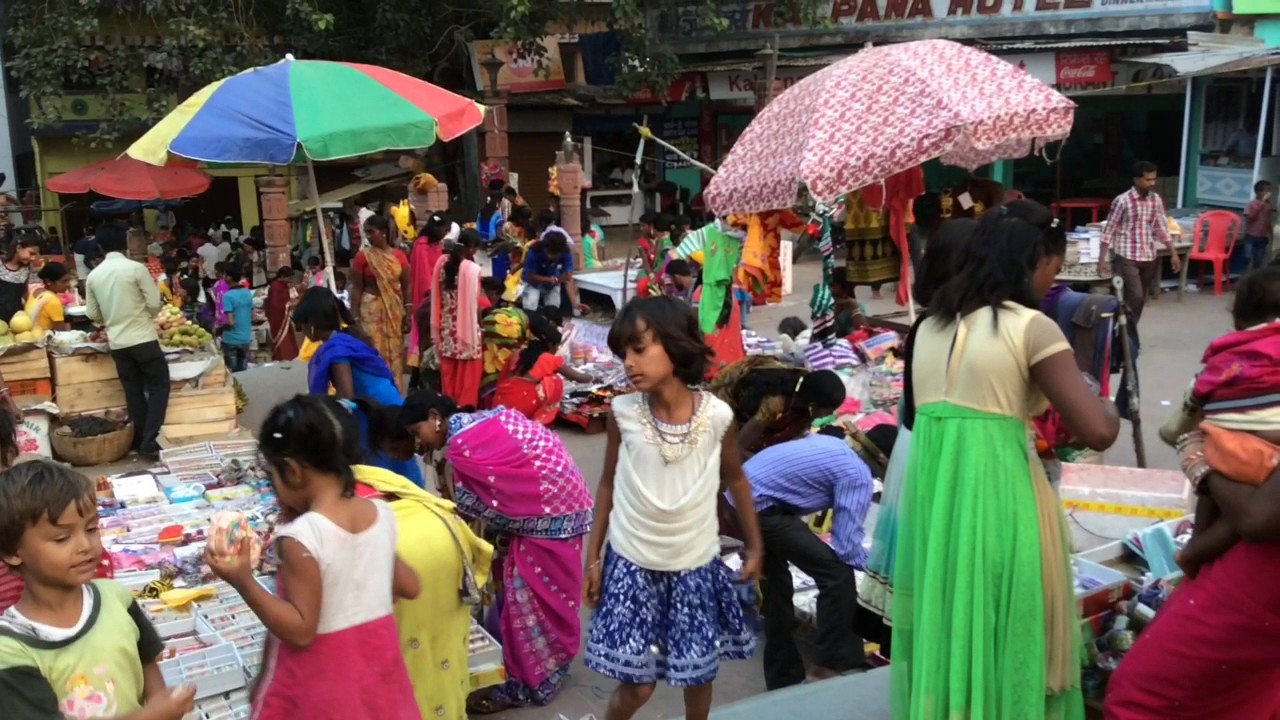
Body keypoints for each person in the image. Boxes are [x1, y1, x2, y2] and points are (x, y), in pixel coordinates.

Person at [892, 200, 1119, 719]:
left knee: (955, 626)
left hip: (937, 509)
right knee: (1011, 625)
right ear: (1035, 259)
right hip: (1003, 502)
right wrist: (1098, 393)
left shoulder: (926, 328)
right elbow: (1099, 431)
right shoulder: (1029, 327)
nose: (1049, 282)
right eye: (1053, 269)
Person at [584, 296, 763, 720]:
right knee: (638, 685)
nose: (629, 362)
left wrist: (755, 548)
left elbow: (736, 478)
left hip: (694, 563)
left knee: (697, 675)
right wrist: (593, 558)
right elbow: (608, 482)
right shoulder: (622, 414)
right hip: (631, 563)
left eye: (640, 349)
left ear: (675, 344)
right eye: (623, 352)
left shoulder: (717, 417)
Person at [204, 395, 420, 720]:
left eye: (272, 476)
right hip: (377, 672)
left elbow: (301, 631)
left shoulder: (302, 537)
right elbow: (409, 585)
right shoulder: (380, 512)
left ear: (292, 470)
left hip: (324, 684)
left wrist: (243, 581)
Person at [398, 390, 592, 712]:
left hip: (545, 520)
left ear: (434, 417)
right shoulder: (480, 422)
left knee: (526, 599)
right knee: (550, 596)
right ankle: (550, 666)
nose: (419, 444)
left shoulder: (462, 446)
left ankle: (528, 683)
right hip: (567, 508)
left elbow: (470, 508)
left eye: (417, 433)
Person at [858, 216, 977, 654]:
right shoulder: (971, 329)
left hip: (915, 445)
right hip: (943, 449)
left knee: (924, 555)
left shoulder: (927, 323)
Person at [0, 460, 197, 720]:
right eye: (61, 538)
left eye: (91, 529)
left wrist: (165, 703)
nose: (85, 545)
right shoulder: (11, 650)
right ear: (12, 552)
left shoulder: (116, 598)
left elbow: (146, 661)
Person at [1152, 266, 1280, 575]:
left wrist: (1192, 450)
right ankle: (1195, 553)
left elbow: (1184, 414)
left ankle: (1194, 549)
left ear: (1237, 320)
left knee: (1215, 481)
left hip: (1229, 448)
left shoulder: (1224, 360)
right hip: (1269, 455)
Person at [349, 458, 492, 720]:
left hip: (407, 560)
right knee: (440, 654)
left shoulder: (325, 520)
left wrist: (245, 579)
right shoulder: (382, 479)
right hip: (441, 539)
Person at [737, 432, 875, 689]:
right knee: (836, 575)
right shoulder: (859, 475)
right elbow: (846, 549)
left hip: (741, 500)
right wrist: (880, 571)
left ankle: (783, 678)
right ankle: (827, 665)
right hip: (761, 508)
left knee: (777, 592)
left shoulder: (834, 444)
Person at [86, 232, 169, 458]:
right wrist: (142, 314)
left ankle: (139, 439)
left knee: (133, 391)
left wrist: (110, 318)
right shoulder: (136, 268)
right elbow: (153, 304)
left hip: (118, 343)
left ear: (101, 248)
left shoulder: (94, 275)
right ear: (125, 246)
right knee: (159, 387)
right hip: (143, 338)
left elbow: (93, 314)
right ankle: (150, 442)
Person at [1100, 161, 1181, 325]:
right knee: (1135, 295)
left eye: (1153, 179)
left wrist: (1173, 253)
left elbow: (1161, 227)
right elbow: (1109, 229)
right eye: (1147, 180)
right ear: (1136, 179)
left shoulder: (1156, 200)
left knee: (1141, 298)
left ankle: (1129, 330)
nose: (1152, 183)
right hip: (1127, 254)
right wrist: (1102, 259)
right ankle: (1122, 327)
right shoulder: (1122, 201)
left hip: (1148, 254)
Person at [491, 321, 593, 425]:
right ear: (551, 345)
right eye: (557, 346)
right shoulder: (548, 358)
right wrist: (592, 377)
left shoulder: (518, 352)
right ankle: (540, 420)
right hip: (522, 405)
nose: (557, 349)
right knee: (554, 381)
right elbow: (578, 377)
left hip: (501, 398)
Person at [352, 215, 411, 393]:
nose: (368, 237)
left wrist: (408, 312)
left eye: (371, 232)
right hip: (370, 309)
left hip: (394, 310)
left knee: (395, 353)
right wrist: (354, 317)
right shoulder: (363, 257)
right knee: (373, 351)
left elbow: (407, 286)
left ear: (384, 233)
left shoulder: (400, 256)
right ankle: (374, 395)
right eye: (366, 232)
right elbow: (356, 288)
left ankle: (393, 394)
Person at [734, 368, 848, 458]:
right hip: (736, 410)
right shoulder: (774, 404)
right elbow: (738, 447)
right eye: (829, 410)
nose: (831, 414)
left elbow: (799, 435)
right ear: (812, 406)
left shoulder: (805, 393)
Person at [432, 230, 484, 408]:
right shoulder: (472, 270)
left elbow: (438, 296)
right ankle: (465, 410)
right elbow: (475, 304)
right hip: (467, 332)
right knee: (468, 377)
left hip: (446, 328)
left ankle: (448, 409)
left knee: (449, 374)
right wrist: (481, 327)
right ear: (471, 248)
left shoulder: (441, 263)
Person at [408, 216, 447, 387]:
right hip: (427, 296)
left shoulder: (437, 244)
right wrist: (431, 294)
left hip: (437, 292)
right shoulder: (421, 245)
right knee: (424, 337)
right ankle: (418, 377)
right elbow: (423, 273)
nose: (444, 234)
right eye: (443, 230)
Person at [521, 231, 584, 314]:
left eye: (555, 253)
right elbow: (531, 276)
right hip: (532, 283)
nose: (551, 256)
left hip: (552, 284)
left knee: (553, 312)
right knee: (531, 311)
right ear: (545, 247)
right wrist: (552, 279)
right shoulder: (535, 250)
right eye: (549, 252)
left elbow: (568, 278)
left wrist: (574, 303)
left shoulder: (566, 252)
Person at [219, 265, 254, 372]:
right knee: (243, 369)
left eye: (225, 274)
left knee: (233, 372)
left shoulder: (228, 296)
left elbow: (230, 322)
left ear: (229, 277)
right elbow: (253, 315)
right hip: (246, 337)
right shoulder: (247, 293)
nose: (223, 277)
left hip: (231, 339)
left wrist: (219, 329)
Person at [0, 236, 41, 322]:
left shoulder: (26, 269)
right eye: (31, 253)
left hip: (17, 318)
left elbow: (25, 293)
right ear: (18, 248)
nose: (33, 258)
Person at [264, 267, 300, 361]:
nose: (290, 280)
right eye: (288, 278)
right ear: (282, 276)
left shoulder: (283, 286)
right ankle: (283, 357)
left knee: (288, 338)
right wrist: (289, 305)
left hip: (284, 317)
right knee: (283, 340)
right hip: (278, 318)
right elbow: (275, 304)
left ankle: (289, 356)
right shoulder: (276, 286)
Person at [27, 262, 71, 332]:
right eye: (64, 281)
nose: (69, 285)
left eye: (69, 280)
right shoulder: (52, 301)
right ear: (48, 281)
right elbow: (61, 334)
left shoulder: (35, 291)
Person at [1243, 179, 1274, 271]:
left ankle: (1253, 275)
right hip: (1251, 235)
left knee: (1259, 259)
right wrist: (1261, 204)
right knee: (1247, 256)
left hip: (1263, 237)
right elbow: (1250, 218)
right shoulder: (1251, 204)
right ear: (1258, 192)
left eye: (1269, 191)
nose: (1269, 193)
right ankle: (1244, 273)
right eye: (1266, 191)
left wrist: (1271, 233)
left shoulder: (1268, 205)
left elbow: (1268, 220)